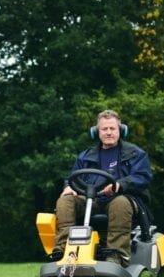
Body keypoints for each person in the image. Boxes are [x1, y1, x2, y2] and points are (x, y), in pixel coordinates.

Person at [50, 109, 152, 266]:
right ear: (96, 132)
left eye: (112, 128)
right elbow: (72, 178)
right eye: (104, 129)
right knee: (65, 201)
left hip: (124, 199)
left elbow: (143, 177)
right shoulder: (85, 156)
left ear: (121, 130)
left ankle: (117, 255)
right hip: (92, 199)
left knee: (120, 203)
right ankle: (64, 250)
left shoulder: (135, 154)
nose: (109, 132)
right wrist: (68, 187)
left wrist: (120, 184)